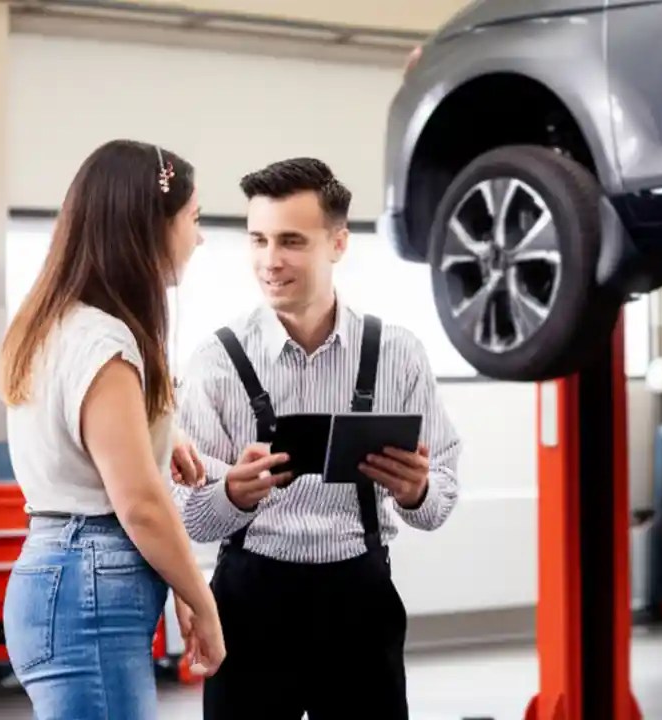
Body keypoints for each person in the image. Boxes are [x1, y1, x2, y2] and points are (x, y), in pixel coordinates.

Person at [172, 157, 462, 720]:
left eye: (291, 241)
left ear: (338, 243)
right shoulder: (215, 363)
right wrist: (231, 494)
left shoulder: (398, 355)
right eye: (258, 240)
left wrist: (418, 491)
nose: (270, 261)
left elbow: (440, 502)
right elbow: (191, 518)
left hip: (361, 605)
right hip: (250, 606)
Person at [0, 139, 226, 719]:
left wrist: (158, 435)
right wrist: (201, 598)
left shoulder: (52, 325)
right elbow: (141, 505)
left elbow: (83, 439)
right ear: (150, 227)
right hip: (88, 583)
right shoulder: (105, 341)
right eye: (194, 218)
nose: (199, 238)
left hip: (55, 572)